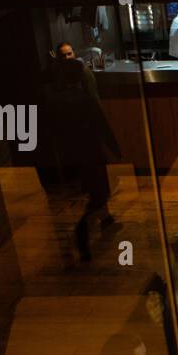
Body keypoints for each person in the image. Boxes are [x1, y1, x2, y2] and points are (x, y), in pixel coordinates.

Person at [39, 57, 121, 261]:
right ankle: (82, 235)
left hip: (68, 155)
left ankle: (84, 232)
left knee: (83, 195)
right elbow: (101, 125)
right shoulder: (85, 99)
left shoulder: (53, 101)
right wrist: (115, 148)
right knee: (98, 193)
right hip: (90, 152)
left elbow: (48, 132)